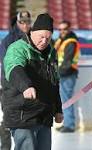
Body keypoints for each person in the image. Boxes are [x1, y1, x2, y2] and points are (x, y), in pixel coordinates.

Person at [1, 13, 63, 150]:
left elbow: (54, 82)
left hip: (44, 114)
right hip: (22, 113)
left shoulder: (52, 52)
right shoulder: (18, 48)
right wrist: (26, 86)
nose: (44, 41)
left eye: (48, 38)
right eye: (41, 37)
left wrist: (58, 109)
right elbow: (14, 68)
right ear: (32, 32)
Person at [0, 10, 31, 150]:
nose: (25, 25)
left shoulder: (33, 37)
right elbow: (7, 66)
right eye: (22, 22)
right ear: (17, 23)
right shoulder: (8, 40)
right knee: (8, 119)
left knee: (26, 121)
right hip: (11, 87)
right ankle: (5, 147)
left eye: (28, 22)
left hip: (28, 86)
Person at [54, 20, 79, 132]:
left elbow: (67, 62)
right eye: (60, 29)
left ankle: (70, 125)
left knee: (67, 100)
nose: (62, 31)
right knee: (64, 100)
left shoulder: (70, 42)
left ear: (69, 30)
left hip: (68, 74)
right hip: (63, 74)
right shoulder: (61, 40)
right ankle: (67, 123)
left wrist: (57, 74)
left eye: (64, 29)